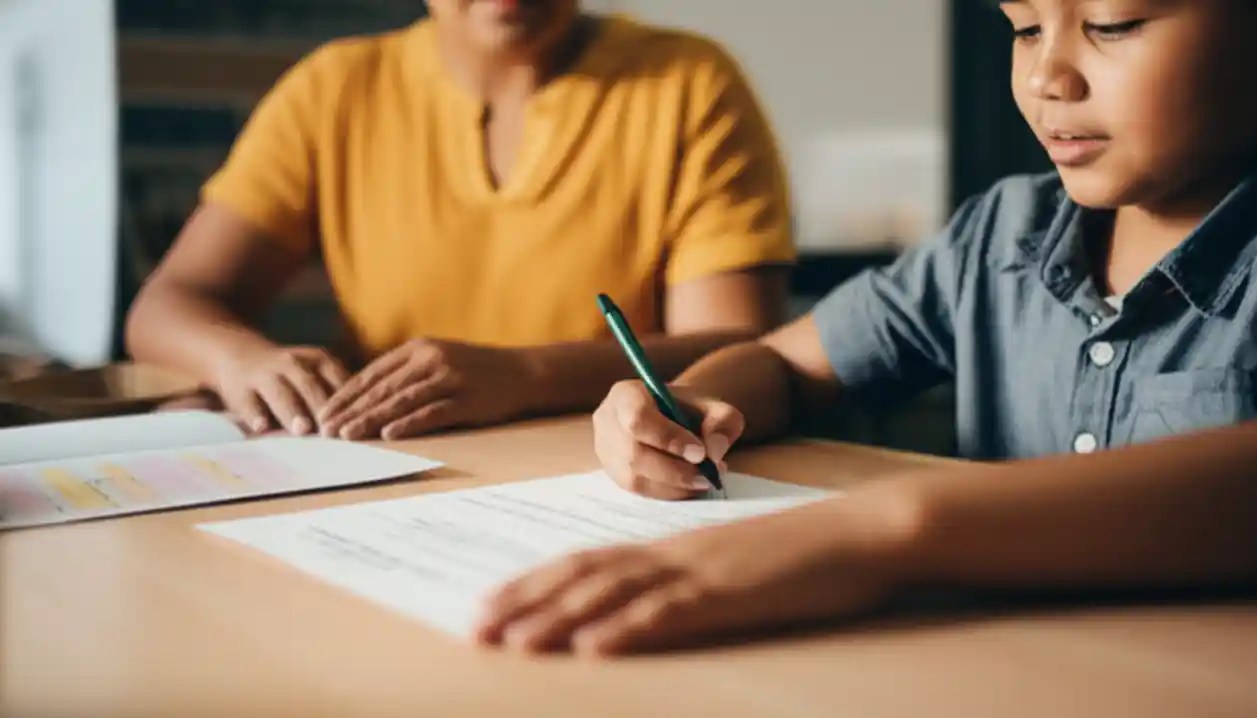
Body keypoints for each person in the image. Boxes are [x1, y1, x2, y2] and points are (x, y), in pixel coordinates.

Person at [475, 0, 1257, 655]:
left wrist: (888, 529)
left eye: (1113, 25)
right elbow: (788, 364)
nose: (1047, 75)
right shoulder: (1000, 236)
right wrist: (682, 402)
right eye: (1025, 27)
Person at [125, 0, 793, 440]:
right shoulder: (333, 90)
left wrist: (525, 376)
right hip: (389, 477)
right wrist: (243, 360)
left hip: (612, 478)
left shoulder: (690, 83)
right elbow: (168, 305)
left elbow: (738, 347)